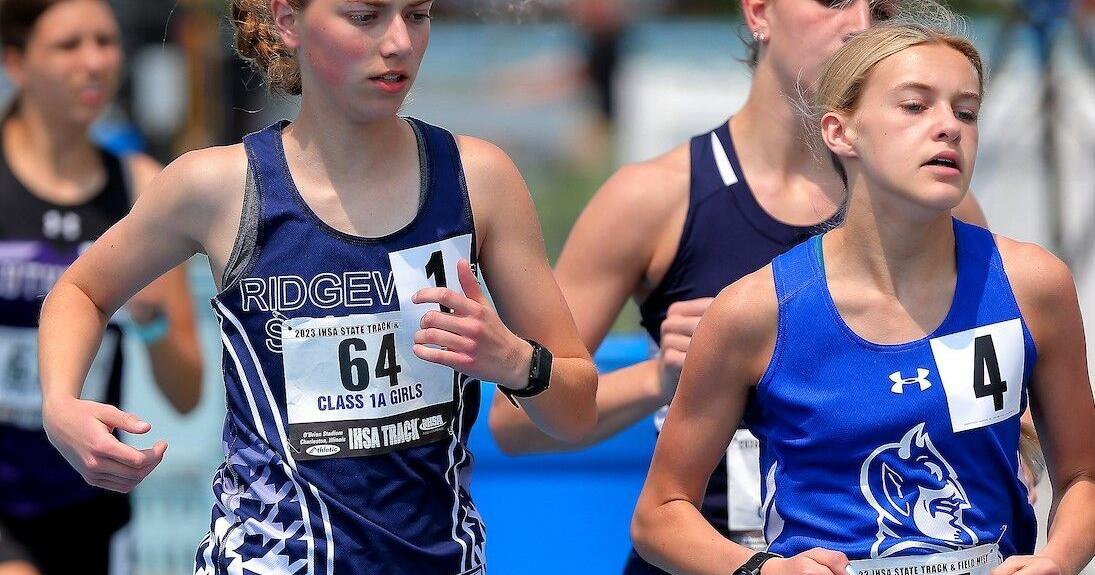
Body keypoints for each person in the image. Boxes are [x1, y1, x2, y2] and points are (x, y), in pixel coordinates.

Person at [37, 0, 598, 573]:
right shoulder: (216, 186)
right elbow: (81, 292)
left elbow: (578, 410)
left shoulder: (479, 180)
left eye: (419, 14)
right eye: (365, 16)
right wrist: (59, 404)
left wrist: (512, 360)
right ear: (287, 21)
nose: (400, 41)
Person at [489, 0, 993, 570]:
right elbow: (514, 424)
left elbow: (989, 397)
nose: (858, 24)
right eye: (832, 1)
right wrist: (663, 377)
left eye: (878, 8)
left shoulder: (932, 204)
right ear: (759, 11)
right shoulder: (654, 199)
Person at [631, 20, 1095, 574]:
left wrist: (1060, 560)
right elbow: (659, 513)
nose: (948, 127)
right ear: (840, 131)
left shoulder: (1032, 285)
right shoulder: (756, 312)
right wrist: (761, 570)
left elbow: (1082, 478)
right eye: (915, 106)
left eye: (966, 112)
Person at [0, 0, 203, 573]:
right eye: (69, 45)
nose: (95, 62)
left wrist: (151, 320)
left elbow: (187, 393)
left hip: (89, 494)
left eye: (106, 42)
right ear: (17, 61)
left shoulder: (141, 187)